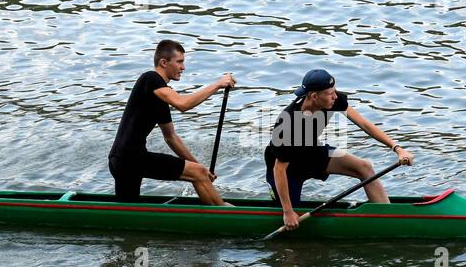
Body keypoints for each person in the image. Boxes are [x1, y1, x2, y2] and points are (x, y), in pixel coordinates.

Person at [265, 69, 414, 230]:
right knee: (291, 215)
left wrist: (397, 148)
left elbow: (364, 124)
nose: (335, 96)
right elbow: (279, 169)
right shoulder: (289, 124)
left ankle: (389, 221)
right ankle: (278, 199)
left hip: (311, 151)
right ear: (314, 96)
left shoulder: (331, 99)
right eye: (330, 93)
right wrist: (288, 212)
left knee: (364, 167)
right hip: (287, 169)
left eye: (334, 91)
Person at [109, 40, 236, 204]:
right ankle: (223, 214)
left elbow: (171, 138)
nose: (183, 67)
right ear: (163, 62)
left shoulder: (159, 96)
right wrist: (218, 84)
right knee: (196, 174)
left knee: (126, 212)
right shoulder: (151, 78)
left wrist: (201, 168)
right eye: (179, 62)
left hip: (121, 160)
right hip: (131, 159)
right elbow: (183, 104)